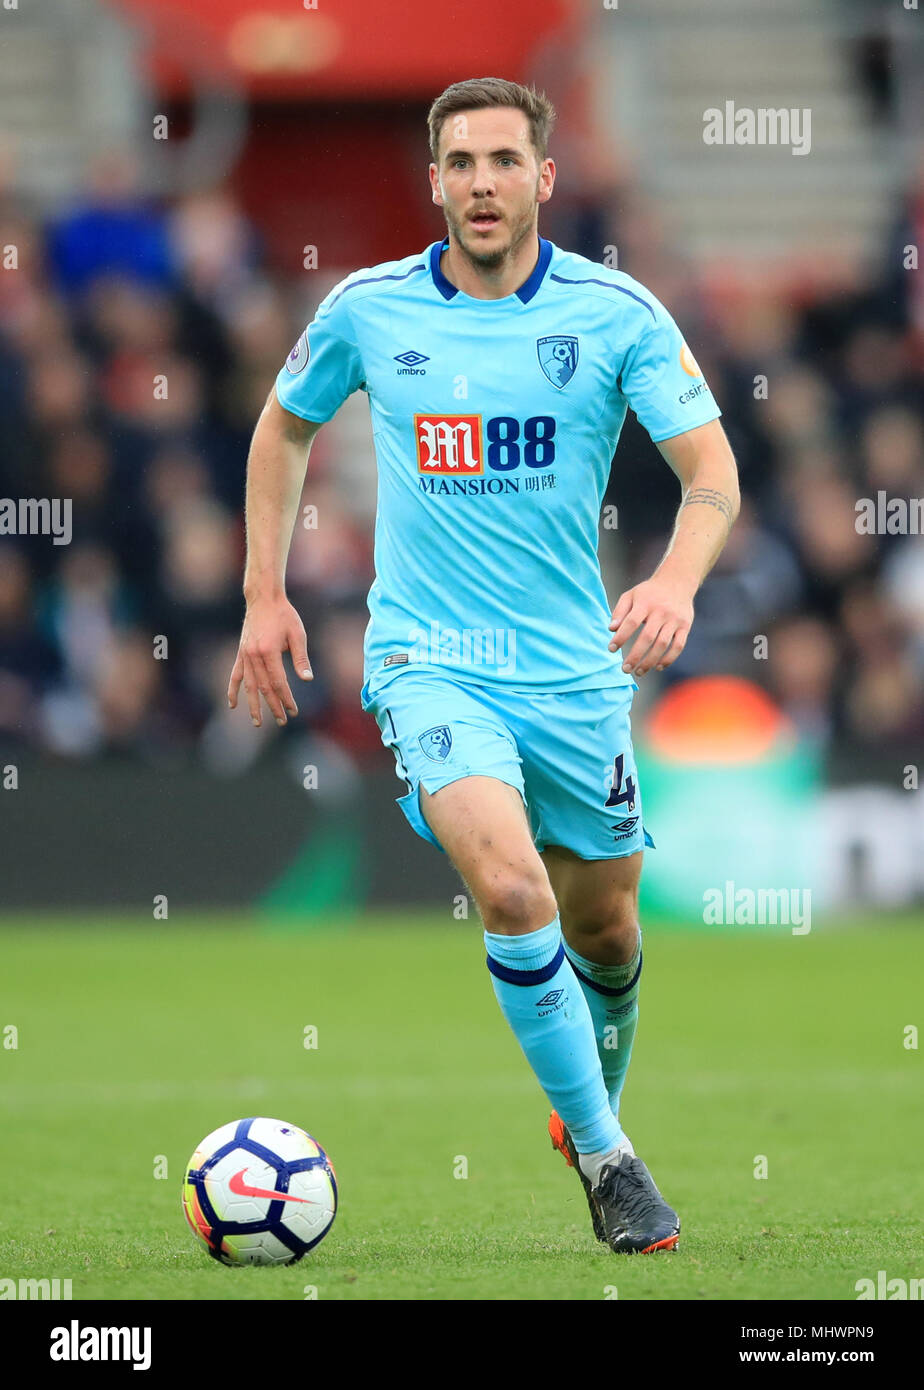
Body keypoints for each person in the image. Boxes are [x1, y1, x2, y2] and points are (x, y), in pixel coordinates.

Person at [228, 77, 740, 1253]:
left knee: (606, 926)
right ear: (434, 181)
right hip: (430, 659)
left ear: (544, 178)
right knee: (513, 891)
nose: (482, 185)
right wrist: (262, 594)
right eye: (460, 164)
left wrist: (672, 582)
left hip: (574, 672)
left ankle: (584, 1103)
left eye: (504, 161)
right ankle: (610, 1159)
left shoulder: (615, 316)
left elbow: (712, 474)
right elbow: (282, 426)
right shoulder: (369, 309)